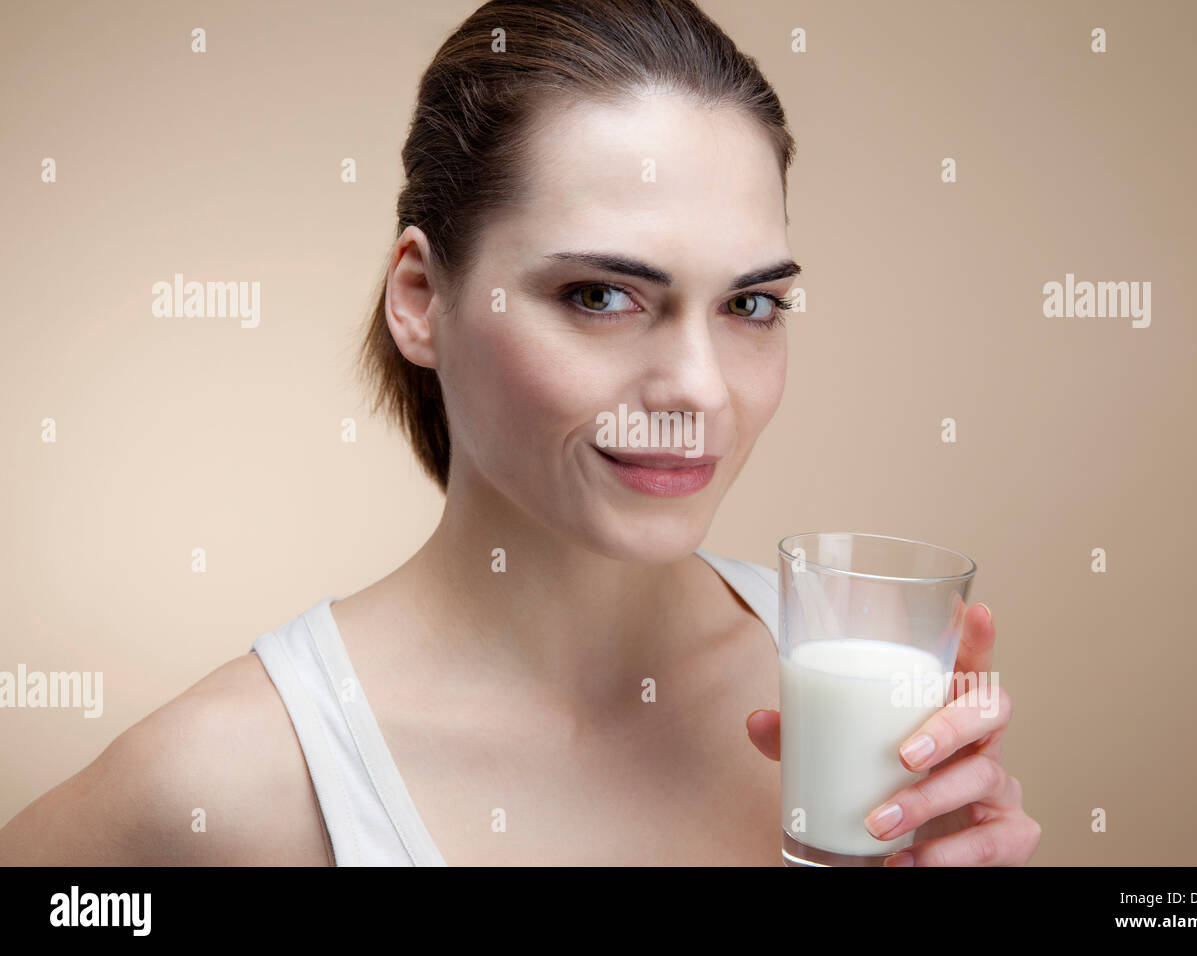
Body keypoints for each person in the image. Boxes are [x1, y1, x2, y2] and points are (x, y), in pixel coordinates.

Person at [0, 0, 1039, 866]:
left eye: (751, 305)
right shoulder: (229, 781)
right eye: (599, 294)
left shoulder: (867, 697)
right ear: (420, 296)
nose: (699, 387)